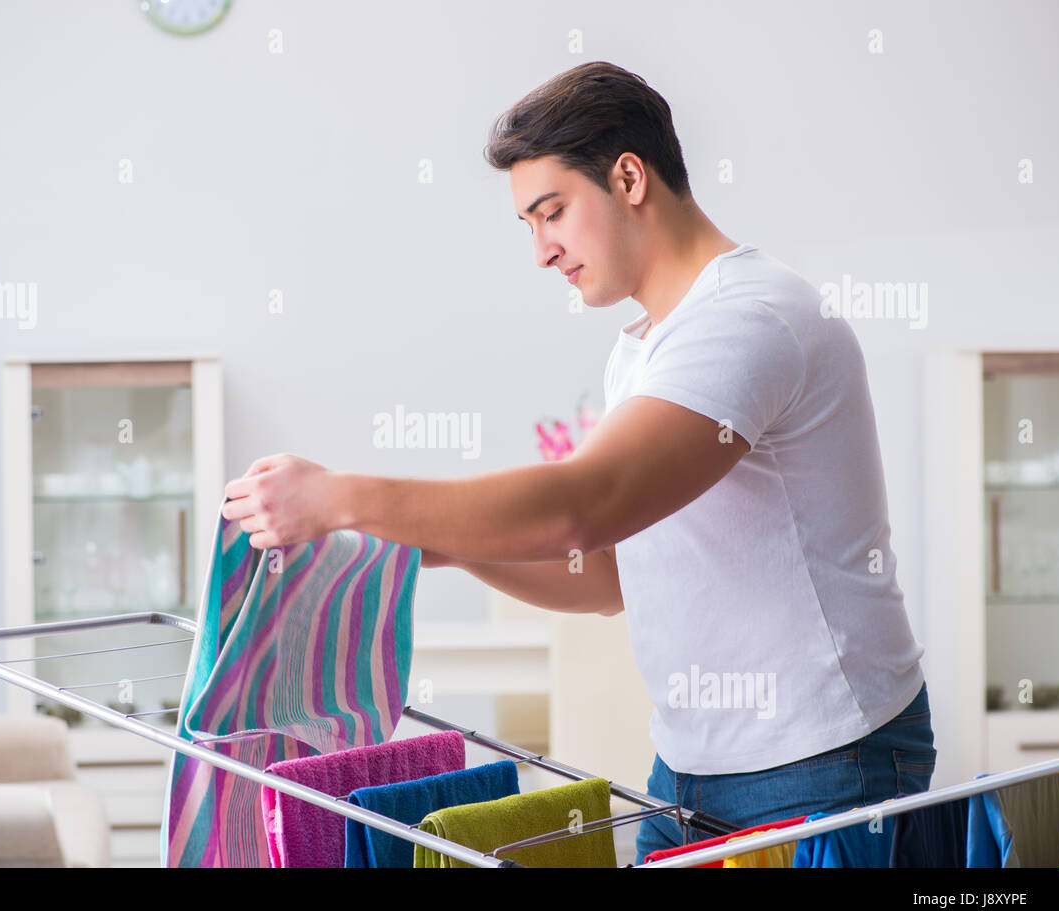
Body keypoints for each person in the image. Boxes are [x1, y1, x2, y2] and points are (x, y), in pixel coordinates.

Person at [221, 60, 935, 865]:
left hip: (823, 764)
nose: (541, 251)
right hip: (691, 770)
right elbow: (599, 571)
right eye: (528, 224)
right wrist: (432, 547)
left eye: (550, 212)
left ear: (629, 177)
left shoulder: (749, 319)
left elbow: (583, 504)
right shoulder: (641, 353)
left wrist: (342, 496)